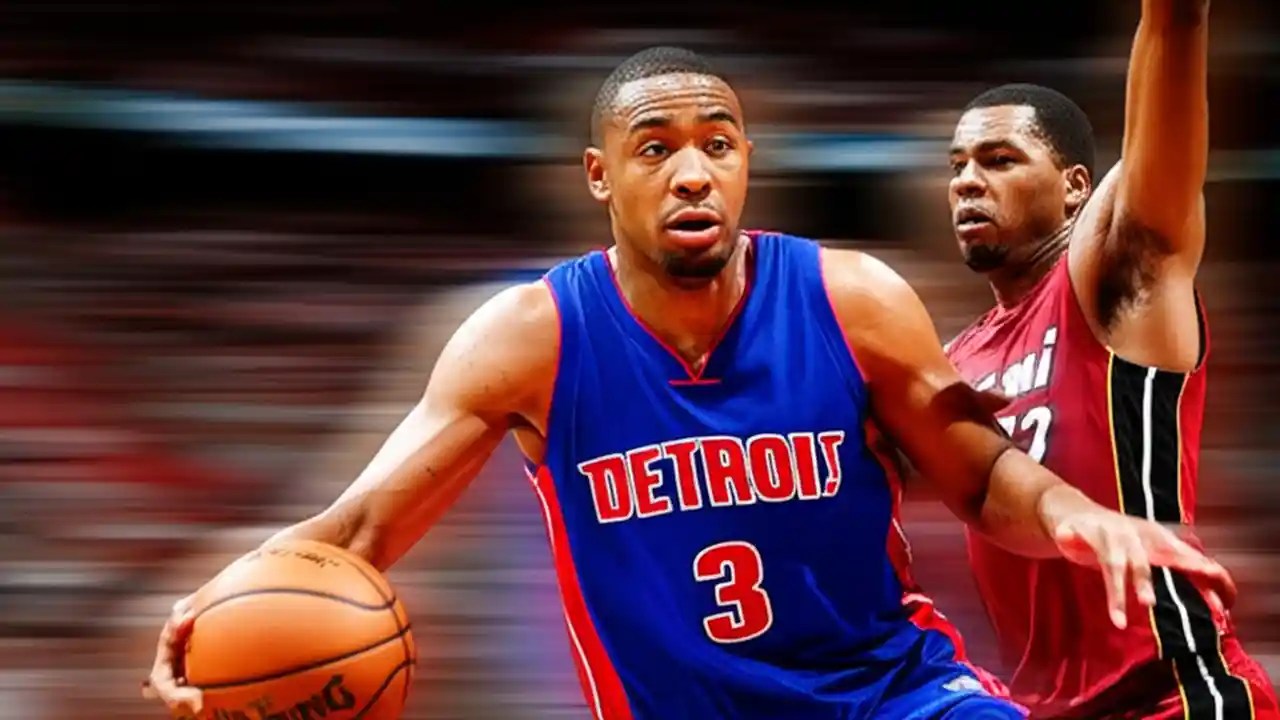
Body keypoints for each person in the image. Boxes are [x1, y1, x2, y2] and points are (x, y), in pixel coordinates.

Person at [146, 46, 1233, 720]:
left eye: (716, 142)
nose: (691, 168)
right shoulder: (527, 336)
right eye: (653, 145)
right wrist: (210, 613)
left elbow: (985, 479)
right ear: (598, 176)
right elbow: (359, 527)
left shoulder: (851, 296)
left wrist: (1081, 516)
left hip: (893, 701)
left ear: (745, 161)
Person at [941, 1, 1279, 718]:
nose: (967, 181)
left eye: (999, 160)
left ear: (1074, 187)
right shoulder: (953, 356)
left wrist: (1173, 17)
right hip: (1042, 707)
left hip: (1177, 697)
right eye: (958, 165)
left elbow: (1174, 35)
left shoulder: (1115, 278)